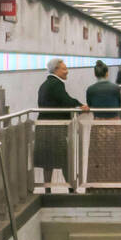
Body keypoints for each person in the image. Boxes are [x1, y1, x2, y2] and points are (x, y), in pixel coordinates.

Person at [34, 58, 88, 191]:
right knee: (65, 159)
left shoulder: (46, 84)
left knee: (48, 161)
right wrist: (80, 106)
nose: (67, 71)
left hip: (43, 126)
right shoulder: (56, 84)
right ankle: (71, 189)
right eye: (64, 69)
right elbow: (66, 100)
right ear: (56, 70)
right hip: (54, 128)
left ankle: (47, 189)